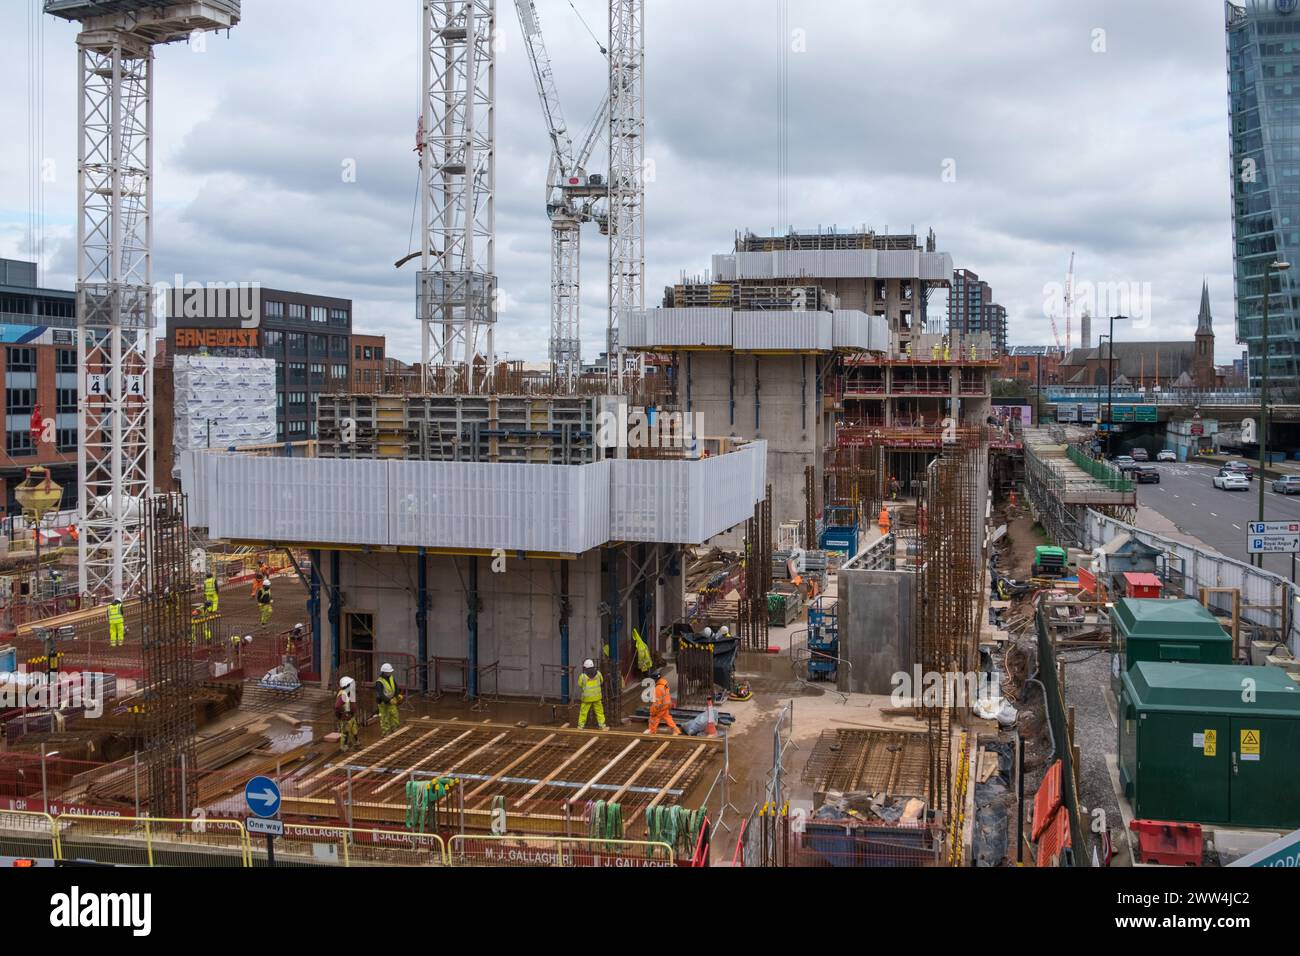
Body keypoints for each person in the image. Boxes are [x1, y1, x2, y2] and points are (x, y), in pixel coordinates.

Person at [646, 670, 681, 735]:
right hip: (666, 705)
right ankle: (676, 730)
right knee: (667, 718)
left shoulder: (658, 688)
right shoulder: (664, 684)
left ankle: (651, 734)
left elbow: (657, 703)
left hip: (661, 707)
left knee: (653, 719)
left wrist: (653, 712)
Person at [576, 658, 607, 730]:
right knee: (599, 712)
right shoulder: (598, 673)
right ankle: (602, 725)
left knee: (583, 713)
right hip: (597, 697)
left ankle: (581, 726)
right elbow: (601, 681)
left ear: (585, 667)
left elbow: (580, 684)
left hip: (587, 699)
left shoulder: (583, 676)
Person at [374, 662, 403, 736]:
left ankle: (395, 729)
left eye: (391, 671)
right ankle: (386, 733)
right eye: (389, 672)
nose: (390, 673)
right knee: (385, 718)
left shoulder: (391, 677)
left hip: (392, 700)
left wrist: (397, 695)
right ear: (384, 672)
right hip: (383, 702)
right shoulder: (379, 682)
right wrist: (388, 700)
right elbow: (381, 694)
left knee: (394, 715)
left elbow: (395, 687)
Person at [335, 676, 359, 752]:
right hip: (346, 717)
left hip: (351, 716)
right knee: (345, 732)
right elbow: (337, 706)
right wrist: (343, 714)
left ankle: (355, 742)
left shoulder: (348, 693)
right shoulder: (343, 695)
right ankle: (343, 746)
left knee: (354, 730)